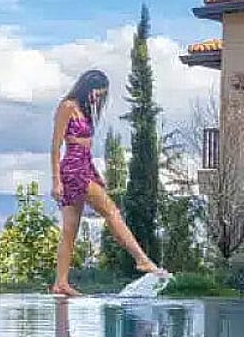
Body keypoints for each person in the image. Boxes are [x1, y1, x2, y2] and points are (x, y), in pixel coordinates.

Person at [50, 69, 165, 296]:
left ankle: (60, 282)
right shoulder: (67, 107)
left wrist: (92, 172)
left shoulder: (84, 110)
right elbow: (55, 147)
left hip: (85, 165)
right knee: (111, 211)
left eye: (101, 95)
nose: (97, 98)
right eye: (96, 93)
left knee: (70, 230)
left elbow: (86, 146)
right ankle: (141, 260)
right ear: (86, 87)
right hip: (73, 169)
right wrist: (56, 181)